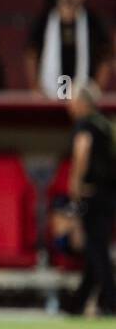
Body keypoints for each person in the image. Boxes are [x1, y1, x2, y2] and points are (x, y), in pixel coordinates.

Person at [64, 81, 115, 316]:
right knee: (96, 248)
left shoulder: (85, 125)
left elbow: (82, 152)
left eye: (72, 100)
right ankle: (78, 303)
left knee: (96, 249)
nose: (69, 105)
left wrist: (74, 186)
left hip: (91, 193)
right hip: (109, 194)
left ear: (83, 103)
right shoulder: (105, 125)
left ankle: (111, 301)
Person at [26, 0, 113, 98]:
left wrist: (97, 90)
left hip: (83, 98)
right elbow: (31, 54)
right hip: (48, 94)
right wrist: (35, 88)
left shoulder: (93, 22)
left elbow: (105, 58)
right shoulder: (44, 20)